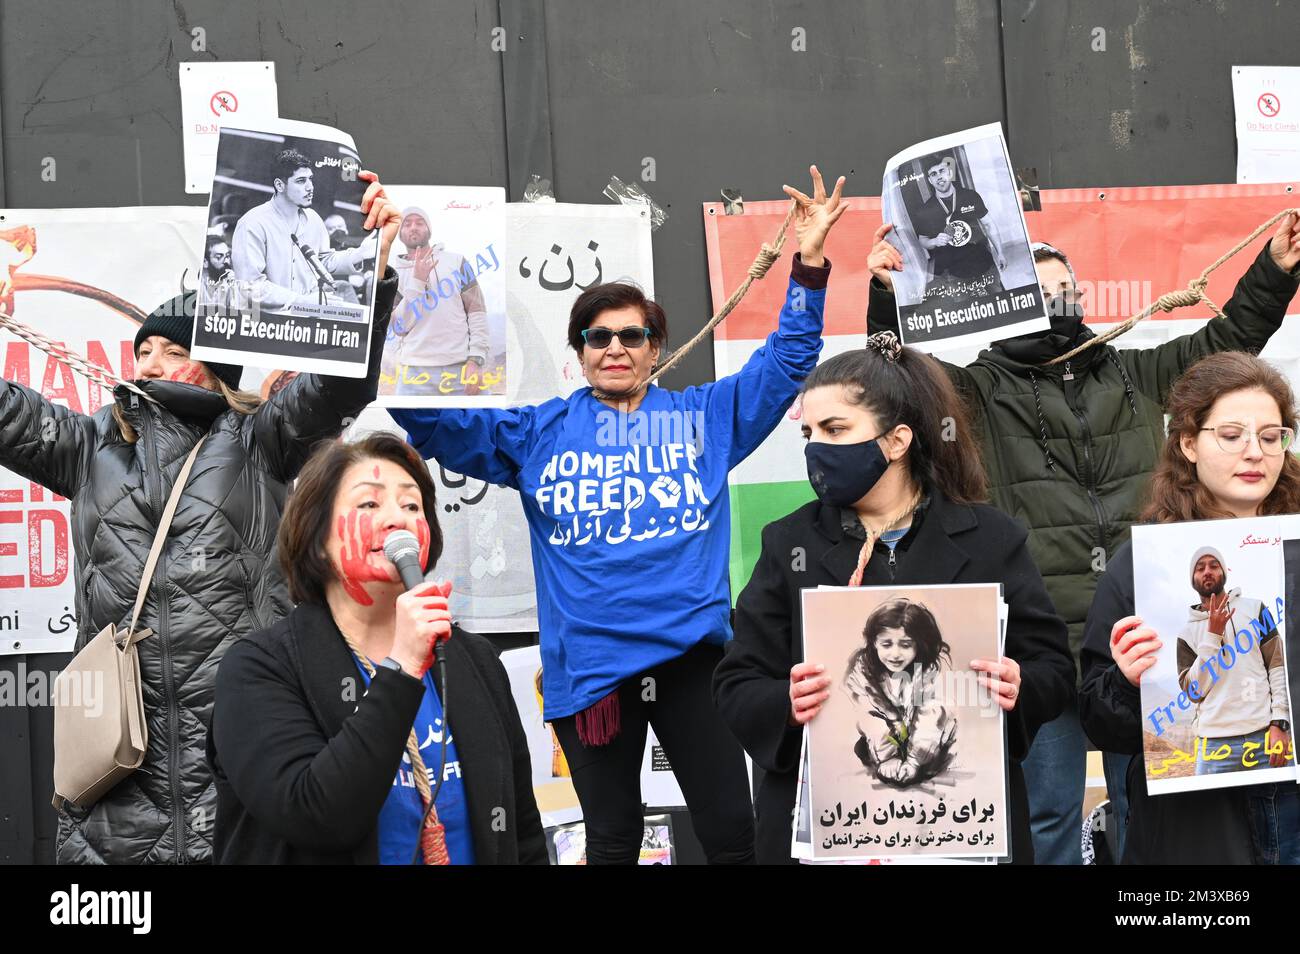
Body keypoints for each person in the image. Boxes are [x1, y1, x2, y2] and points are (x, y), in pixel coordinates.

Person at [390, 166, 849, 864]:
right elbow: (428, 421)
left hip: (693, 661)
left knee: (731, 832)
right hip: (591, 672)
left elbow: (787, 363)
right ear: (577, 355)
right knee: (610, 838)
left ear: (655, 351)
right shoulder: (536, 432)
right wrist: (379, 301)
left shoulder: (705, 419)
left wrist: (810, 261)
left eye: (632, 336)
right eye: (598, 337)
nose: (615, 348)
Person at [866, 211, 1300, 864]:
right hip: (1041, 646)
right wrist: (884, 298)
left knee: (1144, 808)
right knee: (1049, 821)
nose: (1056, 303)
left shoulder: (1134, 372)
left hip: (1136, 647)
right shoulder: (978, 392)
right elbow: (902, 380)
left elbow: (1228, 340)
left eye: (1065, 289)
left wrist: (1275, 270)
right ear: (1007, 304)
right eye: (1038, 292)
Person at [0, 172, 399, 864]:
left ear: (215, 366)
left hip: (244, 756)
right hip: (119, 777)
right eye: (143, 351)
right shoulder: (88, 446)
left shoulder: (260, 440)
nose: (151, 362)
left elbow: (340, 381)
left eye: (173, 349)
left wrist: (372, 266)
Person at [712, 337, 1076, 864]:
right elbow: (737, 681)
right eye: (809, 433)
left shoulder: (991, 539)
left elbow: (1053, 669)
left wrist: (1020, 685)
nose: (817, 447)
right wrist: (784, 706)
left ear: (897, 440)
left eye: (836, 429)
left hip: (960, 833)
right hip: (833, 831)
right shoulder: (787, 543)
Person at [207, 434, 547, 864]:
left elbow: (522, 833)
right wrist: (402, 667)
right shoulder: (259, 668)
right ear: (315, 537)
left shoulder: (474, 662)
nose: (397, 520)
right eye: (369, 504)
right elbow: (316, 815)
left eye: (411, 506)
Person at [1080, 351, 1300, 864]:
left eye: (1271, 437)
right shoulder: (1142, 564)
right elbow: (1099, 719)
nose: (1255, 453)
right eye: (1231, 435)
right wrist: (1125, 680)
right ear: (1187, 443)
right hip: (1197, 820)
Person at [1177, 547, 1289, 778]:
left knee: (1277, 813)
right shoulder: (1186, 634)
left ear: (1224, 572)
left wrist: (1280, 722)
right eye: (1200, 568)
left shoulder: (1255, 609)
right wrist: (1212, 636)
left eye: (1213, 565)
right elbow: (1195, 692)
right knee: (1212, 814)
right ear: (1193, 579)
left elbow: (1277, 667)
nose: (1207, 571)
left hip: (1264, 737)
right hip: (1214, 746)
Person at [230, 147, 374, 310]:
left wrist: (358, 254)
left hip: (308, 318)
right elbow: (250, 287)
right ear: (279, 185)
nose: (310, 187)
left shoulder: (313, 219)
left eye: (310, 179)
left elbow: (321, 261)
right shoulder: (252, 223)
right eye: (301, 181)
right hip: (268, 323)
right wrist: (301, 301)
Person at [844, 598, 957, 787]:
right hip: (882, 739)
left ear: (919, 645)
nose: (895, 654)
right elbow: (867, 715)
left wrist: (914, 761)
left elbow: (932, 715)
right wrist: (887, 758)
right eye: (886, 644)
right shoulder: (862, 670)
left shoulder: (930, 669)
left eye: (905, 645)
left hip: (926, 739)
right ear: (874, 643)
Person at [385, 206, 490, 398]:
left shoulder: (456, 262)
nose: (413, 227)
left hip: (460, 370)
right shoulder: (392, 274)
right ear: (400, 233)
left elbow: (477, 312)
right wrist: (417, 281)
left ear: (429, 229)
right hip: (415, 375)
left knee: (483, 424)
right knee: (407, 428)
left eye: (419, 222)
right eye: (407, 224)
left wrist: (476, 359)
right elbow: (399, 326)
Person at [911, 151, 1007, 298]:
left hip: (984, 263)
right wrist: (934, 241)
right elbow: (922, 240)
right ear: (930, 180)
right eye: (934, 174)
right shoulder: (925, 211)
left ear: (949, 173)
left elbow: (989, 225)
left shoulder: (970, 196)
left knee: (999, 300)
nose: (939, 177)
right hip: (953, 273)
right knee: (966, 314)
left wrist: (1000, 253)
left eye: (942, 171)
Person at [197, 236, 233, 308]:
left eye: (227, 256)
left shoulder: (231, 283)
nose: (226, 261)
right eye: (219, 257)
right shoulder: (195, 286)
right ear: (204, 262)